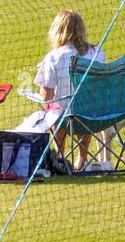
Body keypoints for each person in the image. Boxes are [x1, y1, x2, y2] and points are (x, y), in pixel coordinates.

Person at [35, 9, 107, 171]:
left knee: (54, 109)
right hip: (96, 115)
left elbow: (46, 97)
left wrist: (42, 73)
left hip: (66, 119)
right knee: (83, 105)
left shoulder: (54, 57)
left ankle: (60, 158)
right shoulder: (98, 53)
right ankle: (82, 158)